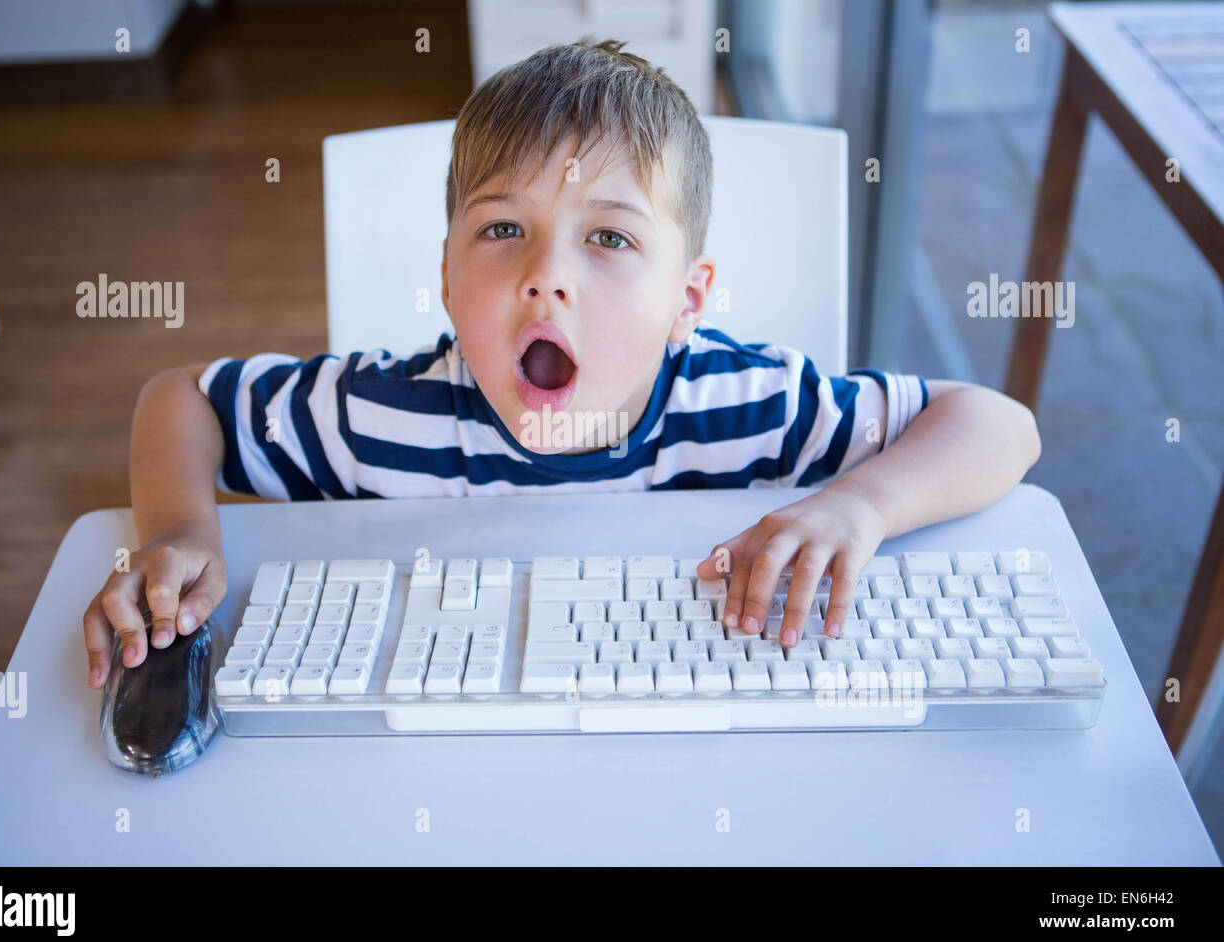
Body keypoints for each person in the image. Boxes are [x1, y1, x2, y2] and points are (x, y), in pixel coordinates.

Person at [82, 37, 1040, 688]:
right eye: (504, 230)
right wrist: (177, 532)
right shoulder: (379, 417)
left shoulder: (752, 406)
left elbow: (1001, 426)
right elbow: (182, 399)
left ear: (687, 303)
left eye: (611, 241)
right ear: (448, 282)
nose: (547, 279)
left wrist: (857, 506)